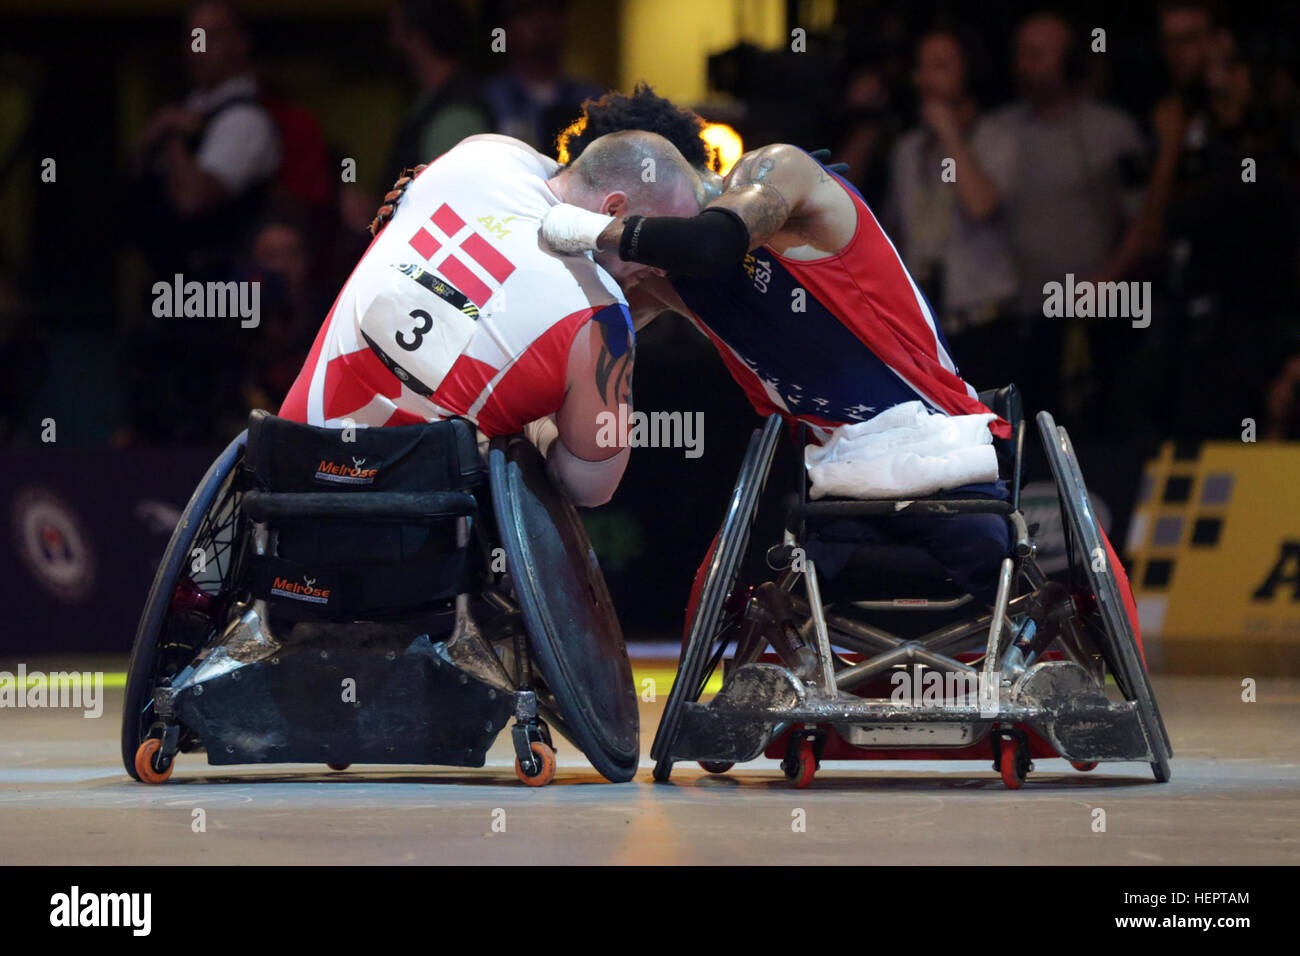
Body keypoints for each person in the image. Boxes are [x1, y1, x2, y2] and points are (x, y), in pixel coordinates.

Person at [543, 113, 1012, 603]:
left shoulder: (782, 171)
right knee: (722, 588)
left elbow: (710, 244)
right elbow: (572, 337)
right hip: (835, 493)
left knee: (997, 572)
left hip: (949, 462)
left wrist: (590, 231)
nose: (626, 278)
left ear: (615, 210)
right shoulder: (664, 277)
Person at [280, 131, 701, 507]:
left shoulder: (479, 153)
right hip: (403, 551)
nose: (664, 270)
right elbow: (589, 488)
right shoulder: (600, 317)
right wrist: (534, 423)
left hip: (282, 481)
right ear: (612, 210)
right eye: (660, 246)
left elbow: (568, 172)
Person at [886, 28, 1016, 392]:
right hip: (924, 329)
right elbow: (894, 236)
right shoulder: (907, 150)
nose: (927, 79)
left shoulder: (999, 137)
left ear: (968, 73)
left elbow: (981, 205)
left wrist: (949, 134)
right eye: (922, 67)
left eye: (941, 66)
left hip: (984, 326)